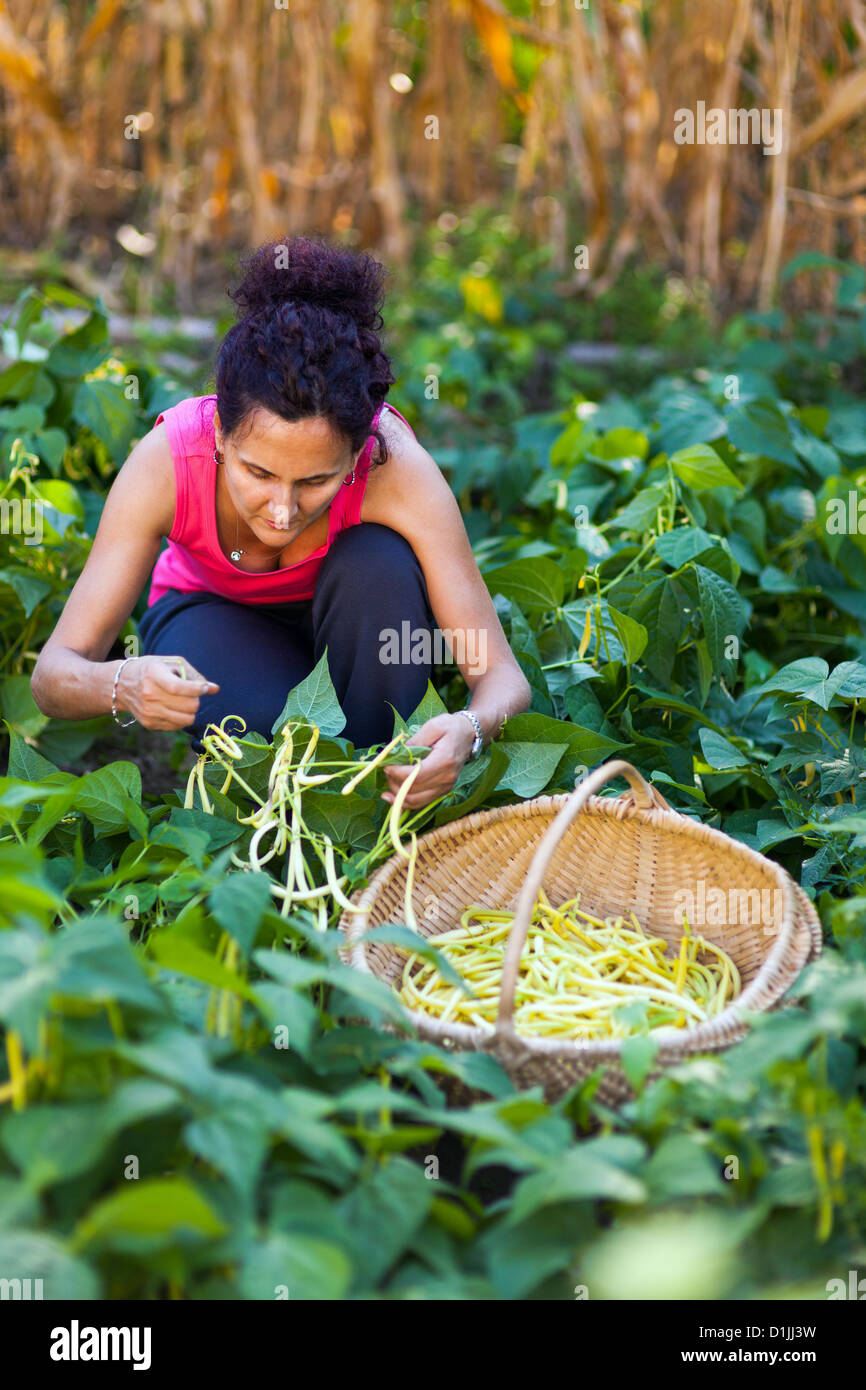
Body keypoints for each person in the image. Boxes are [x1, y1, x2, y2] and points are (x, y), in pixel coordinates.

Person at [31, 235, 531, 810]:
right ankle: (321, 796)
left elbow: (501, 677)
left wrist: (467, 729)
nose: (282, 509)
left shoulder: (395, 468)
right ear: (219, 432)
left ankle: (382, 792)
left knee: (378, 563)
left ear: (357, 451)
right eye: (257, 472)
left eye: (315, 481)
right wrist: (123, 683)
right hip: (212, 616)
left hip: (357, 622)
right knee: (281, 747)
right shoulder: (168, 461)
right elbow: (52, 677)